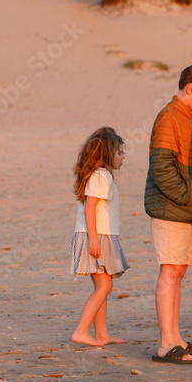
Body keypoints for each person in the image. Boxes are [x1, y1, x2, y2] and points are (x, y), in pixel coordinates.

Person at [145, 62, 192, 364]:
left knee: (179, 270)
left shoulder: (188, 117)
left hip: (184, 210)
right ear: (190, 88)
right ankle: (166, 344)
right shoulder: (169, 117)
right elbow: (161, 167)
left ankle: (176, 338)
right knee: (170, 270)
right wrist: (188, 197)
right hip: (171, 210)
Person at [69, 127, 130, 347]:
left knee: (102, 286)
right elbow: (90, 209)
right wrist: (94, 240)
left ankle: (102, 334)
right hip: (97, 236)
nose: (123, 157)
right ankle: (81, 331)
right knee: (105, 287)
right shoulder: (100, 176)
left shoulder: (100, 175)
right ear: (107, 155)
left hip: (100, 234)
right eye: (120, 153)